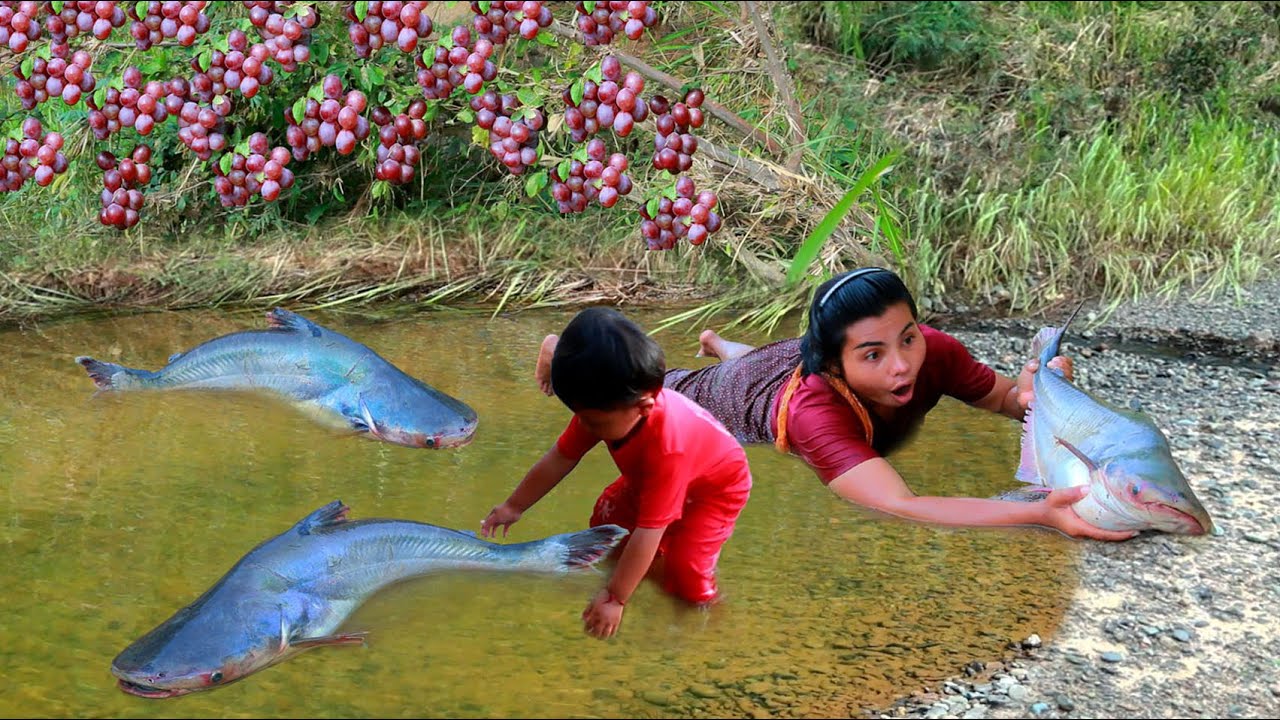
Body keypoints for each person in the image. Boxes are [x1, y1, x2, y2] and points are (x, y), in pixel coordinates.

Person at [534, 267, 1135, 542]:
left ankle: (721, 342)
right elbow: (903, 503)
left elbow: (1007, 397)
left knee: (756, 357)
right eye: (874, 354)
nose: (902, 364)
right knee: (645, 382)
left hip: (785, 361)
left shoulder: (935, 352)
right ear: (835, 364)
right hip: (719, 404)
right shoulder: (815, 418)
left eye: (907, 338)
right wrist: (1038, 512)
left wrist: (1040, 388)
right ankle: (563, 348)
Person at [481, 306, 753, 640]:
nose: (586, 427)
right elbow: (560, 458)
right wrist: (514, 505)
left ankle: (714, 624)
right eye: (583, 417)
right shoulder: (602, 404)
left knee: (687, 576)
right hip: (646, 476)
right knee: (607, 525)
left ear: (644, 407)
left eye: (593, 422)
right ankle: (552, 351)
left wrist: (615, 597)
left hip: (715, 489)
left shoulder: (668, 447)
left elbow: (649, 531)